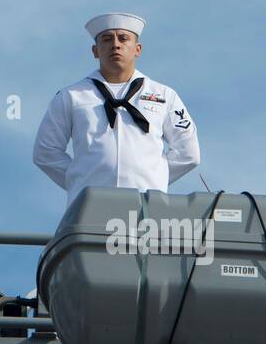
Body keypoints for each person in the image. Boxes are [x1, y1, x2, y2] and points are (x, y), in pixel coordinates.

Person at [33, 13, 200, 208]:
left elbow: (188, 152)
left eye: (123, 38)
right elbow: (46, 151)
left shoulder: (164, 95)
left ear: (138, 49)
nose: (115, 44)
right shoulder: (72, 96)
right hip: (90, 206)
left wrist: (153, 180)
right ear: (95, 51)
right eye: (106, 39)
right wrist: (82, 182)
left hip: (148, 206)